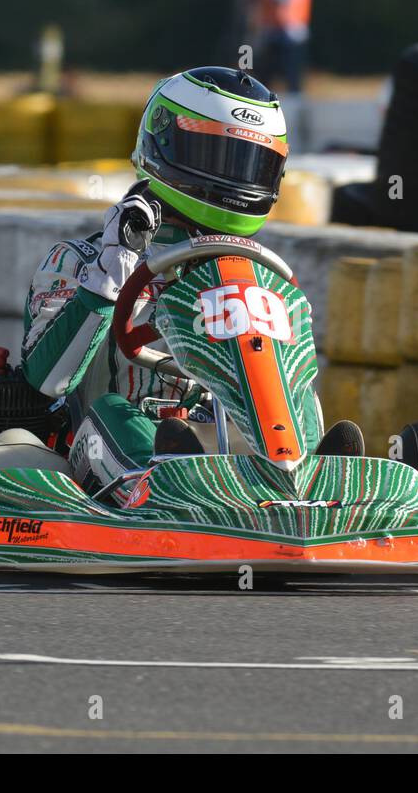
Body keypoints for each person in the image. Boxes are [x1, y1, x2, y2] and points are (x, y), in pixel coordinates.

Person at [19, 66, 355, 491]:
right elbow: (46, 383)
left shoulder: (261, 278)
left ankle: (314, 480)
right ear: (166, 142)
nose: (236, 178)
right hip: (110, 446)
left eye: (252, 164)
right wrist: (108, 278)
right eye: (220, 158)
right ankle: (168, 482)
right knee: (116, 412)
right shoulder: (78, 262)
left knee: (300, 397)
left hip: (226, 446)